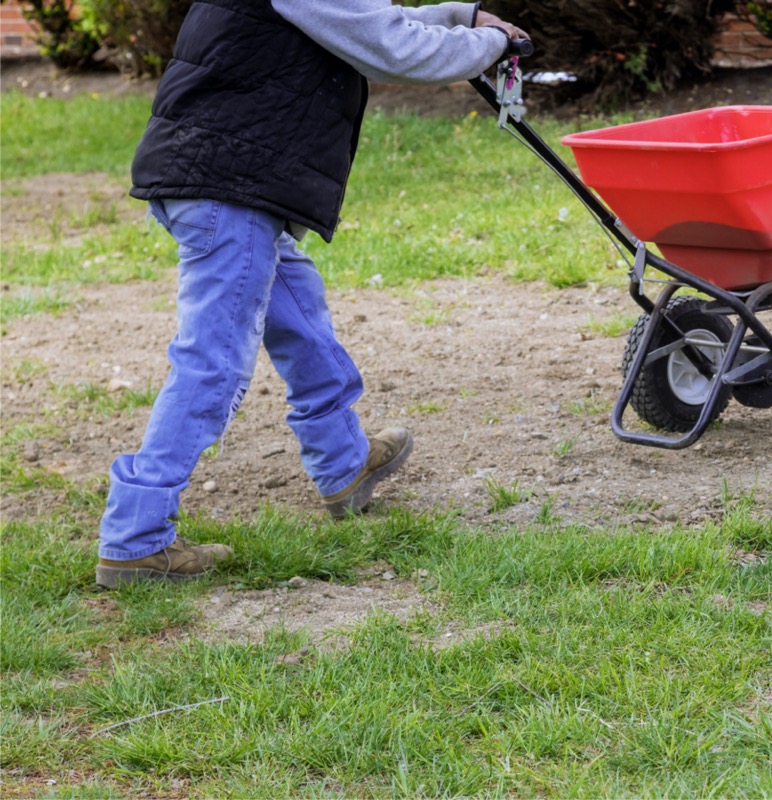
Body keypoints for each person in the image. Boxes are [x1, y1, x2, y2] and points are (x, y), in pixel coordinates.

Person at [95, 0, 528, 588]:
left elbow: (359, 20)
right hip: (229, 186)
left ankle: (344, 462)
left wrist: (456, 18)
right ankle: (135, 539)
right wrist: (491, 46)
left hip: (221, 176)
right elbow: (389, 44)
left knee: (298, 314)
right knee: (214, 361)